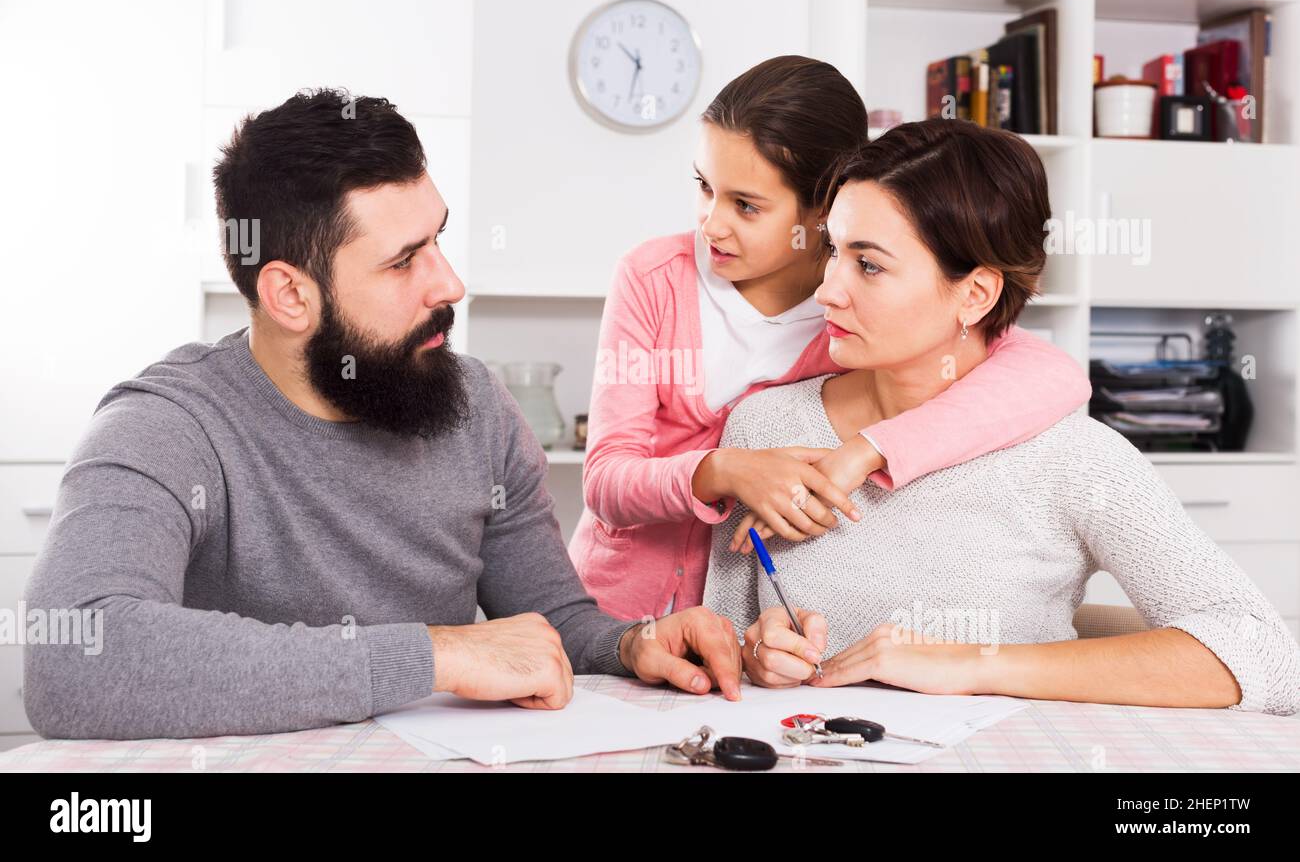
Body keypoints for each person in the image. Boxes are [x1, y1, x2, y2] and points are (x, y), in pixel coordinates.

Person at [21, 90, 744, 740]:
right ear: (290, 296)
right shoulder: (166, 426)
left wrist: (631, 644)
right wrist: (435, 654)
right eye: (404, 262)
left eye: (438, 239)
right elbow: (74, 654)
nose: (449, 282)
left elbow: (553, 621)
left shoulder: (478, 407)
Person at [704, 118, 1300, 715]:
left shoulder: (1073, 458)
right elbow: (723, 644)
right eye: (833, 250)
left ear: (976, 295)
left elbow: (1267, 658)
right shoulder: (765, 429)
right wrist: (757, 652)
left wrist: (971, 665)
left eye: (870, 264)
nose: (827, 290)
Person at [572, 56, 1092, 621]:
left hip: (751, 625)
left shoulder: (860, 302)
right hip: (615, 614)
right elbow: (605, 480)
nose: (711, 224)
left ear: (825, 206)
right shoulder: (653, 277)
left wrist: (867, 452)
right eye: (704, 187)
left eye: (746, 205)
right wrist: (723, 469)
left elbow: (1051, 375)